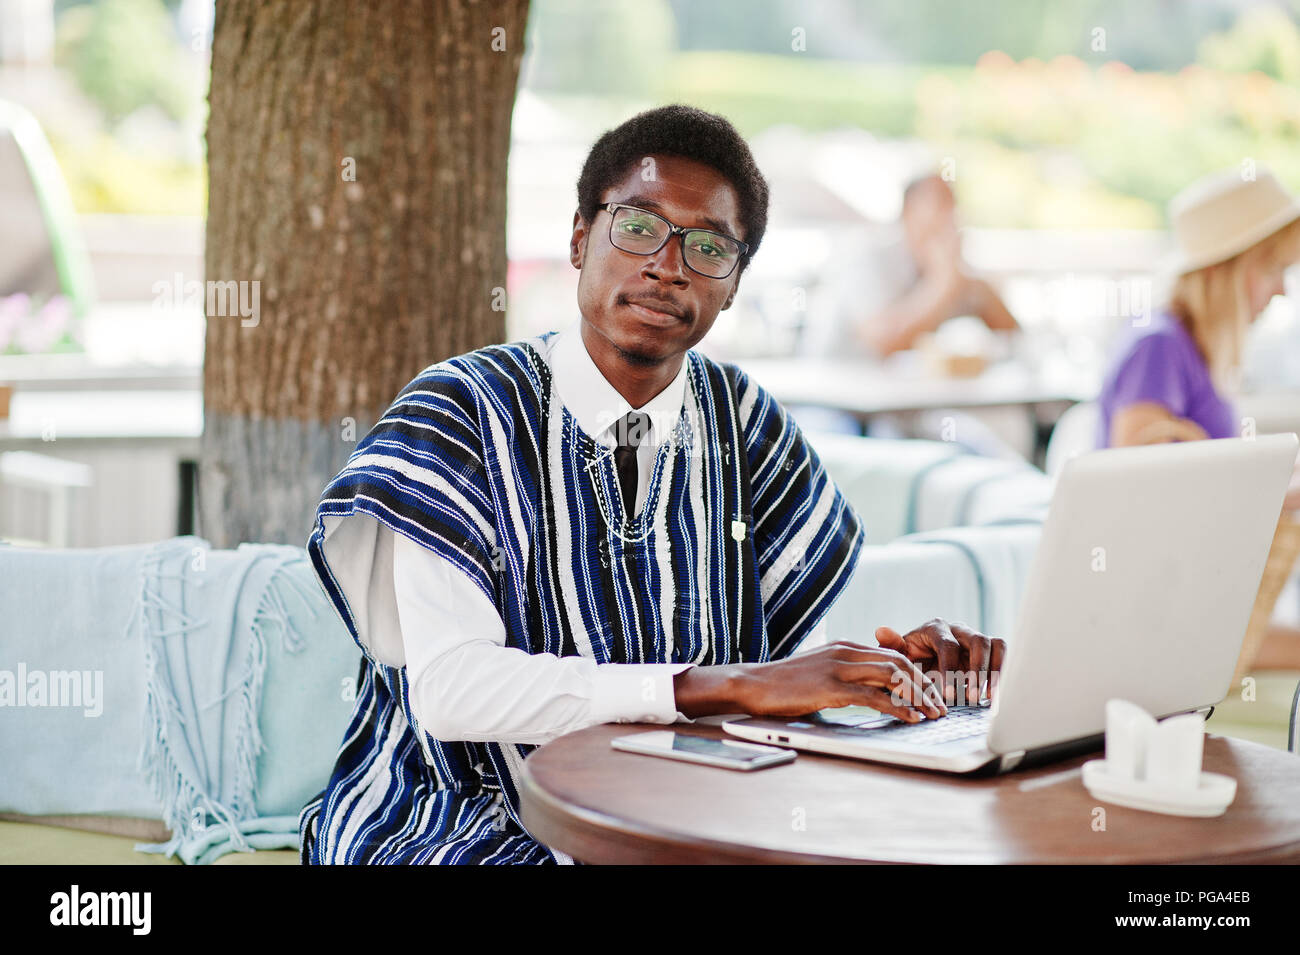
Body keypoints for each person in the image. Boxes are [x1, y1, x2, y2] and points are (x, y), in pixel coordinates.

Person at [298, 105, 1005, 865]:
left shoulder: (747, 425)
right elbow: (452, 691)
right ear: (579, 239)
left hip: (679, 809)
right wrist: (712, 686)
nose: (667, 265)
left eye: (708, 247)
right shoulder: (462, 411)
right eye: (638, 228)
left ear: (733, 285)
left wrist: (895, 667)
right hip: (464, 815)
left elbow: (779, 662)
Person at [1095, 163, 1300, 669]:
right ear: (1220, 270)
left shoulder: (1190, 350)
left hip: (1197, 598)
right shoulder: (1159, 348)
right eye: (1272, 269)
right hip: (1162, 617)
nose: (1282, 290)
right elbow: (1151, 497)